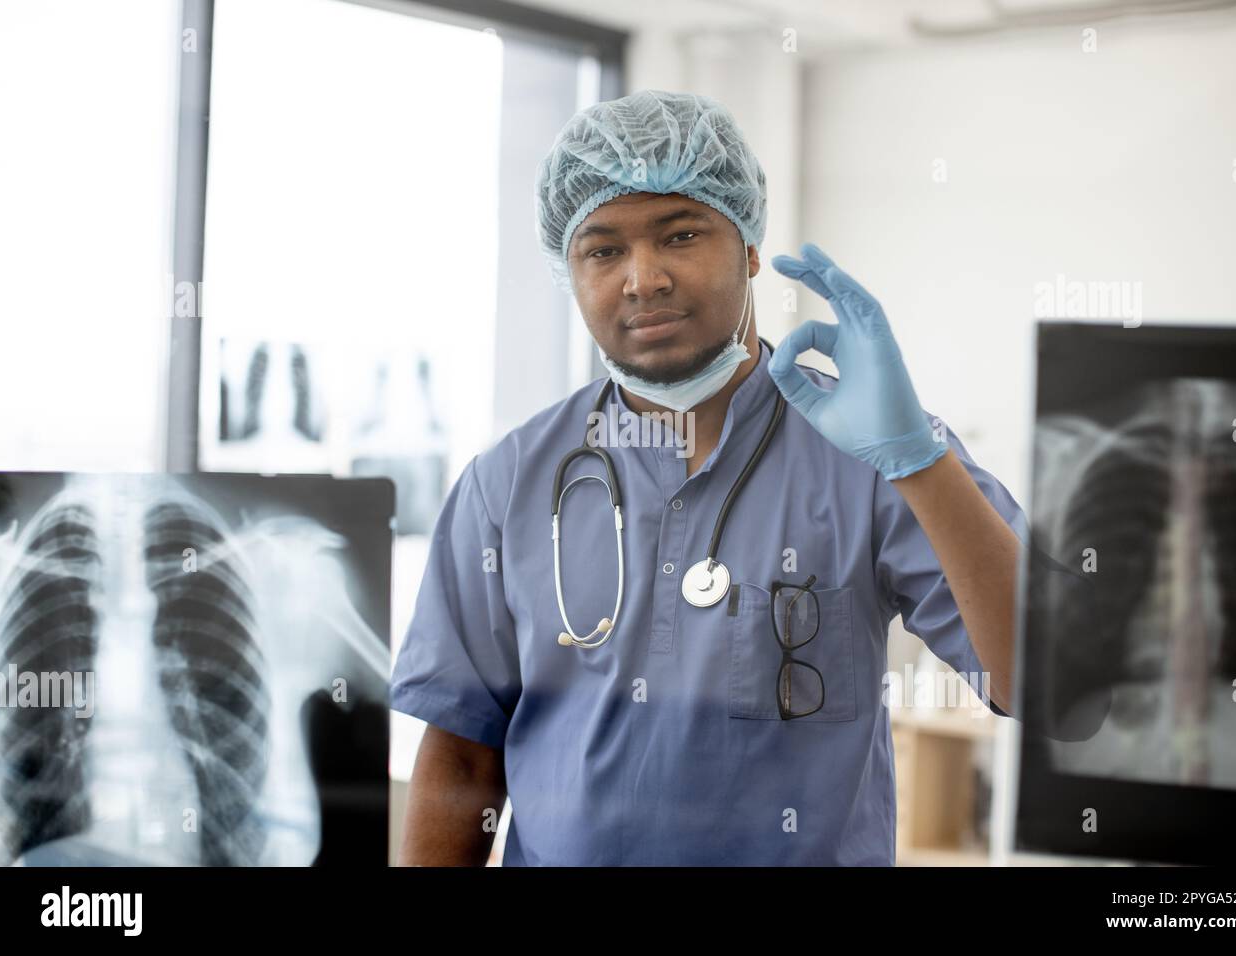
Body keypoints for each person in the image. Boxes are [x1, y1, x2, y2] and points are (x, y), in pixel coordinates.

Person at [391, 89, 1028, 866]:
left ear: (751, 248)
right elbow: (461, 753)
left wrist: (921, 464)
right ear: (570, 271)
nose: (643, 278)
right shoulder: (509, 481)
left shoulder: (870, 457)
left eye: (681, 234)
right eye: (602, 250)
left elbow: (1049, 687)